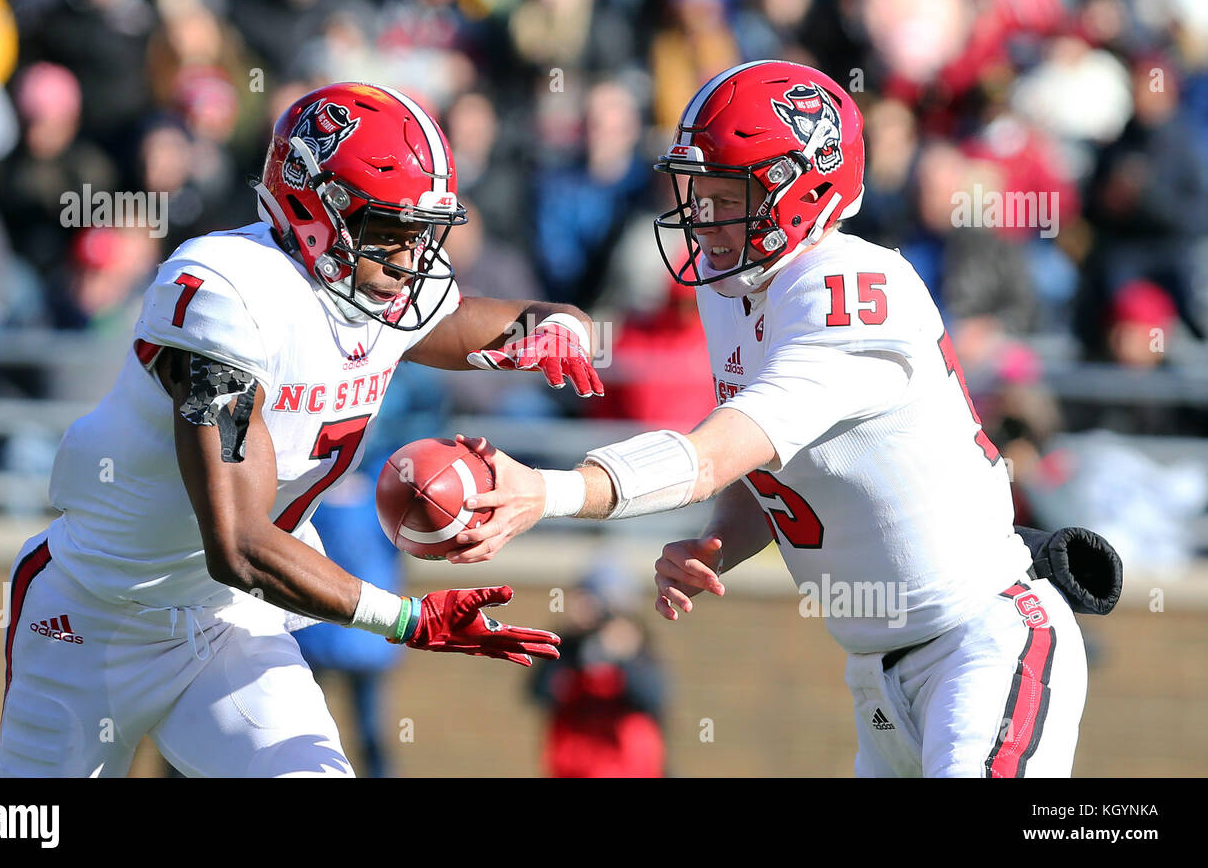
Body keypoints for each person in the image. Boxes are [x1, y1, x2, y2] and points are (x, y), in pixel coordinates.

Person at [451, 60, 1107, 778]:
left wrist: (546, 492)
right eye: (696, 191)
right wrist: (721, 541)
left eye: (726, 194)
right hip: (876, 673)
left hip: (980, 642)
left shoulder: (852, 290)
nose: (702, 215)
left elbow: (708, 456)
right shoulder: (735, 285)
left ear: (802, 187)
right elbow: (767, 458)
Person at [0, 81, 609, 778]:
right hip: (95, 615)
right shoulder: (224, 294)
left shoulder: (381, 280)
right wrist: (407, 620)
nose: (411, 260)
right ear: (312, 209)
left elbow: (469, 318)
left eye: (421, 233)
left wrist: (556, 324)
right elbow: (240, 542)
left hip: (234, 625)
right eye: (389, 230)